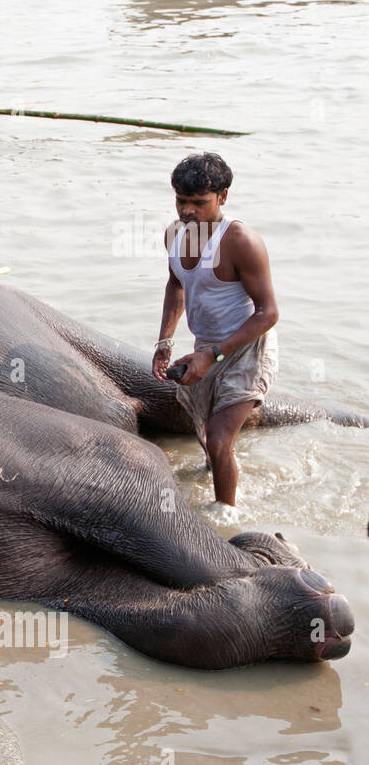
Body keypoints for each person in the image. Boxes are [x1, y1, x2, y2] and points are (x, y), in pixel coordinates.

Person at [153, 152, 278, 507]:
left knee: (221, 441)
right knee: (209, 441)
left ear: (222, 197)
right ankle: (218, 478)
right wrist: (164, 341)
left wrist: (214, 353)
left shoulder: (240, 241)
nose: (187, 210)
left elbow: (268, 313)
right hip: (206, 344)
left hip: (248, 346)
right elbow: (175, 286)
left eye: (198, 202)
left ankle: (225, 522)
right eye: (181, 200)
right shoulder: (174, 235)